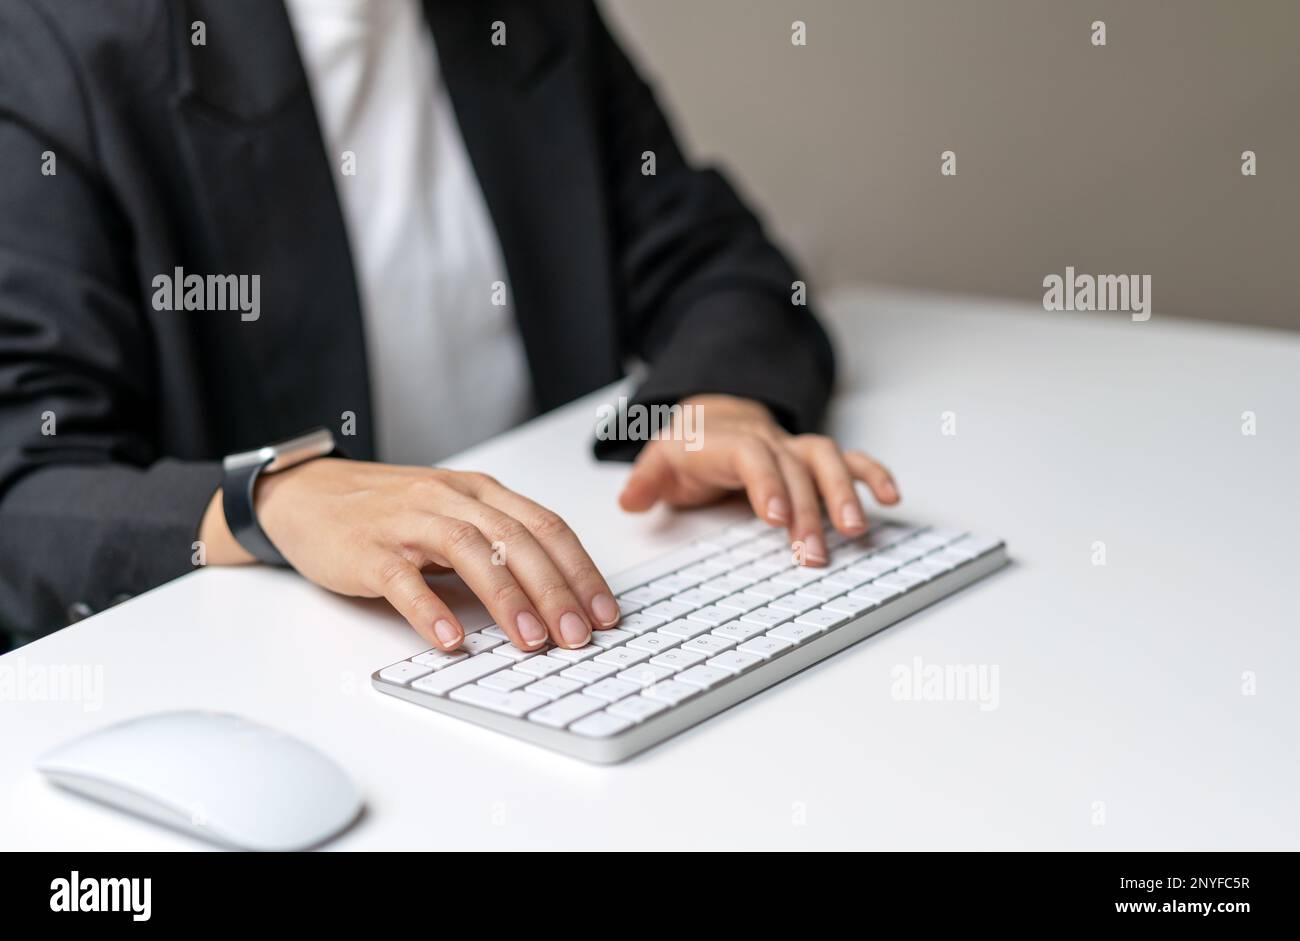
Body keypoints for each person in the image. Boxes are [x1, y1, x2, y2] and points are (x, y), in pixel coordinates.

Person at [0, 0, 898, 653]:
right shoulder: (62, 49)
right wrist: (270, 500)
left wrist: (718, 401)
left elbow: (713, 259)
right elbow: (27, 492)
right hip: (294, 667)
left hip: (554, 621)